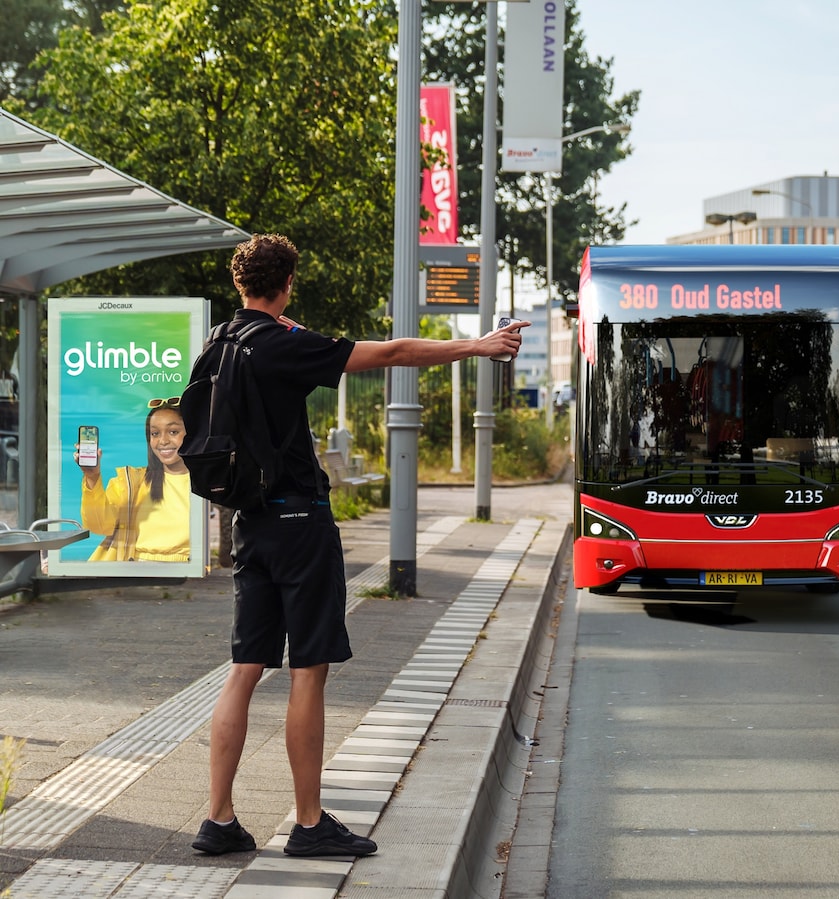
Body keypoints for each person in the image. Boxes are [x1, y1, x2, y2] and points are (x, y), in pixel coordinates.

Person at [191, 233, 528, 858]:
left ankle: (218, 819)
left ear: (240, 285)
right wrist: (477, 345)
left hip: (250, 523)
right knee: (308, 669)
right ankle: (310, 824)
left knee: (244, 668)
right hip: (299, 523)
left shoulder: (220, 344)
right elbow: (395, 350)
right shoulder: (285, 346)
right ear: (288, 283)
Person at [77, 399, 191, 562]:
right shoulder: (132, 482)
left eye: (173, 432)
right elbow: (99, 525)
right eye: (155, 433)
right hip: (135, 571)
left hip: (190, 573)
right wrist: (92, 477)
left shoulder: (206, 484)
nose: (163, 441)